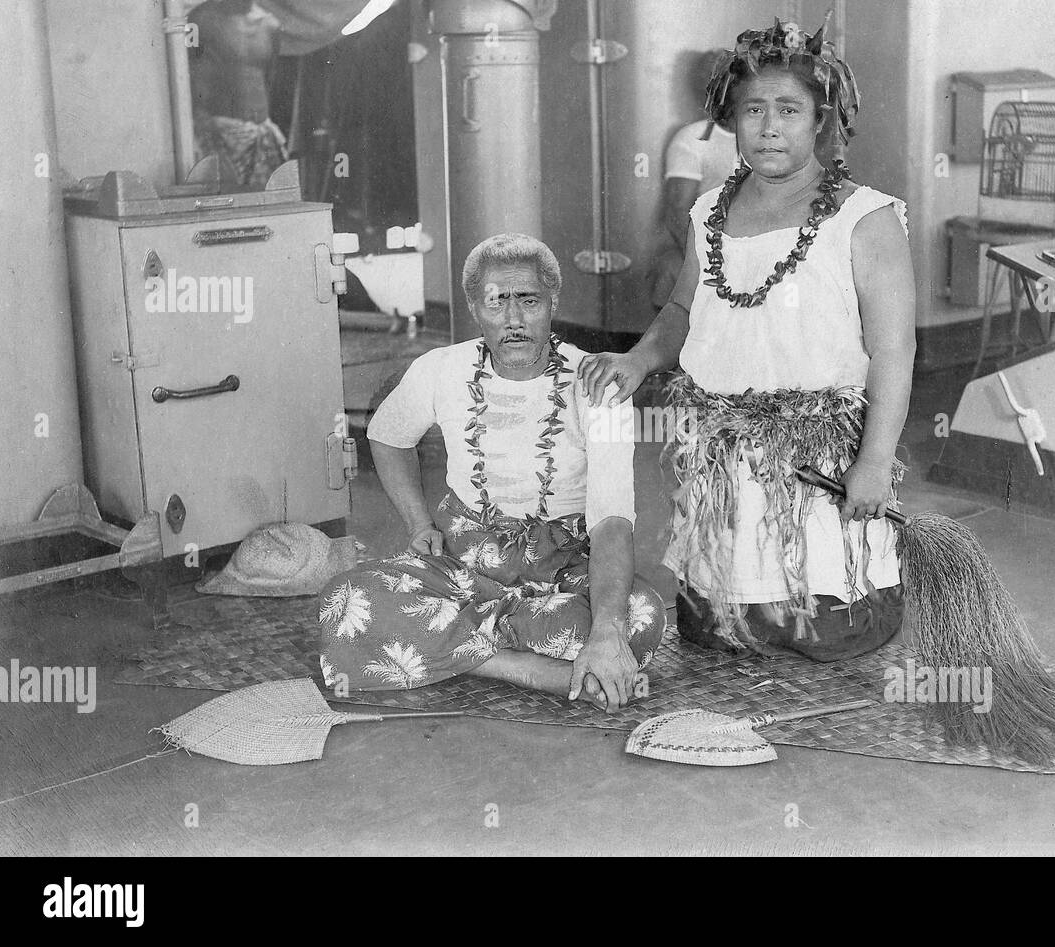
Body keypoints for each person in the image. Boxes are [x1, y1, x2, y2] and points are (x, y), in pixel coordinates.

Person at [579, 16, 917, 662]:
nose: (767, 126)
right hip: (722, 456)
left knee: (827, 632)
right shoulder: (710, 211)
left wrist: (874, 460)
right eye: (752, 109)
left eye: (788, 109)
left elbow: (895, 351)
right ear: (730, 119)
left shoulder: (865, 218)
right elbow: (681, 308)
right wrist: (639, 357)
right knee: (716, 630)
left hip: (820, 458)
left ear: (820, 119)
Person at [318, 234, 666, 712]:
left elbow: (610, 518)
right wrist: (420, 524)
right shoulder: (440, 368)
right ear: (474, 308)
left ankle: (461, 643)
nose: (515, 319)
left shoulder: (596, 383)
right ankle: (525, 669)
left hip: (565, 564)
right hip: (464, 561)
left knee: (641, 617)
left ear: (552, 303)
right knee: (347, 600)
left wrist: (606, 629)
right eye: (496, 302)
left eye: (529, 300)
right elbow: (388, 434)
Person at [650, 51, 741, 309]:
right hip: (707, 254)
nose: (725, 93)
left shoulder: (761, 137)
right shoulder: (692, 139)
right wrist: (710, 264)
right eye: (715, 85)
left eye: (732, 83)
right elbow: (678, 213)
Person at [188, 0, 288, 189]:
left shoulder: (270, 24)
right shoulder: (203, 19)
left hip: (263, 134)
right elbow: (191, 76)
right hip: (218, 136)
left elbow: (269, 80)